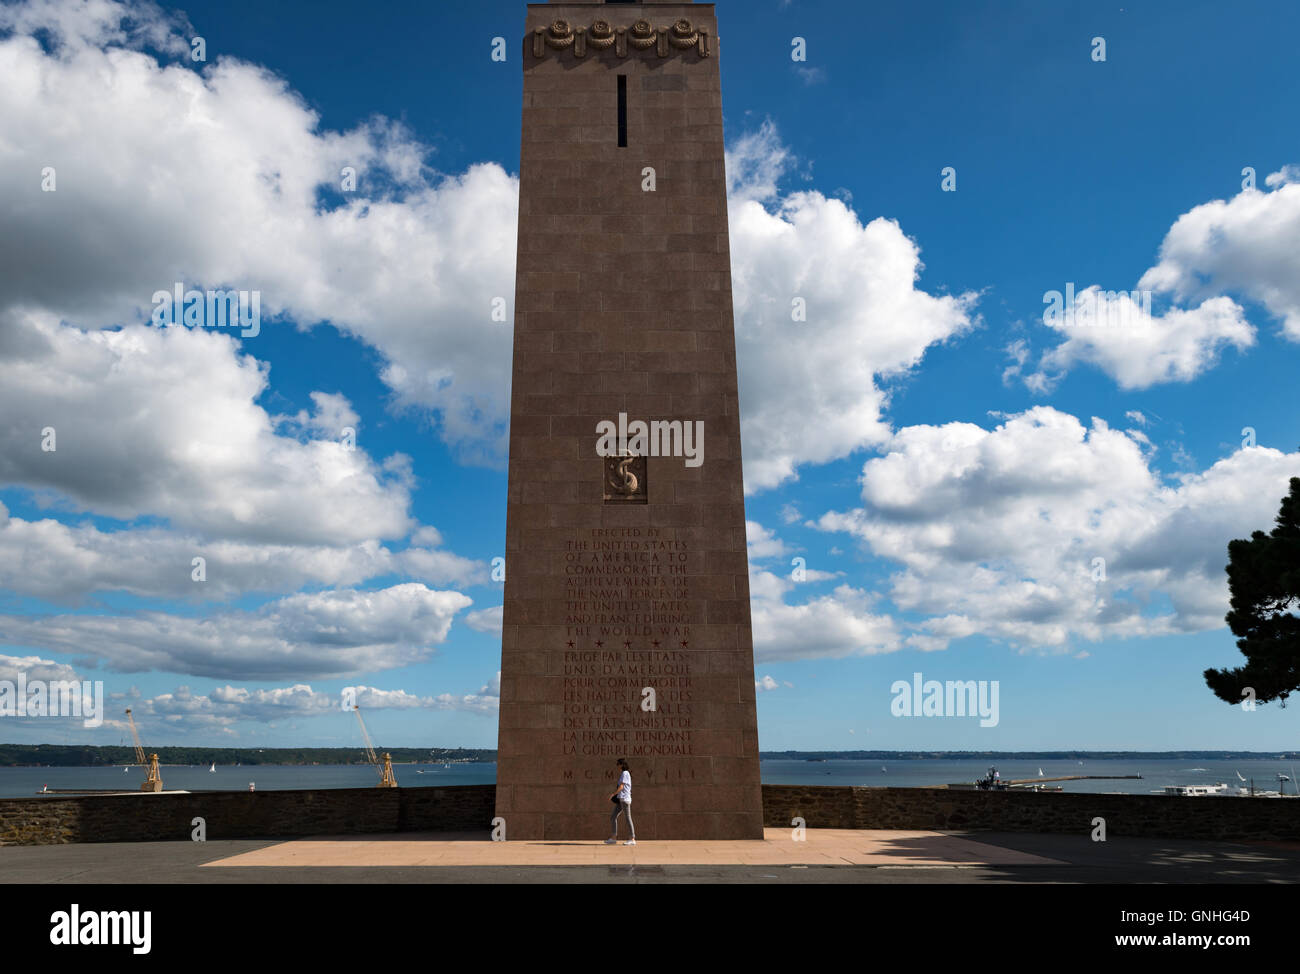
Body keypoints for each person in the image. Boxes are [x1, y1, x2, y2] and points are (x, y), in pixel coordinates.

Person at [605, 757, 635, 845]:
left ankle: (632, 838)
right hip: (621, 799)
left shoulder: (625, 773)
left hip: (625, 799)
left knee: (628, 818)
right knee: (613, 816)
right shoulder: (623, 773)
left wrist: (613, 794)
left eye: (618, 764)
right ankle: (614, 838)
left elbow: (621, 787)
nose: (617, 766)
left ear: (622, 765)